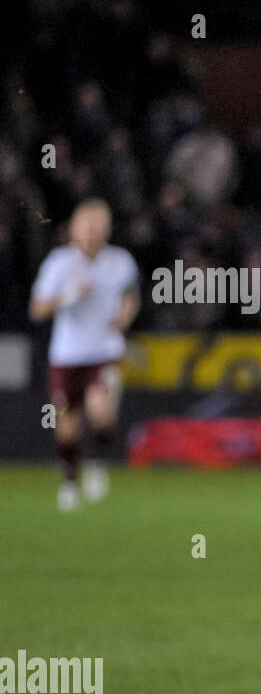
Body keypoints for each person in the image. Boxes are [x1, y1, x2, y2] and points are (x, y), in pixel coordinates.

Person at [29, 199, 140, 511]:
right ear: (75, 229)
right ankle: (69, 479)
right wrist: (68, 297)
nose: (93, 233)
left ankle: (94, 459)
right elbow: (37, 309)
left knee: (100, 410)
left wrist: (125, 316)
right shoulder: (59, 263)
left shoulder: (120, 261)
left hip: (104, 350)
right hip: (67, 355)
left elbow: (130, 295)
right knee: (66, 424)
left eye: (99, 226)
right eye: (87, 226)